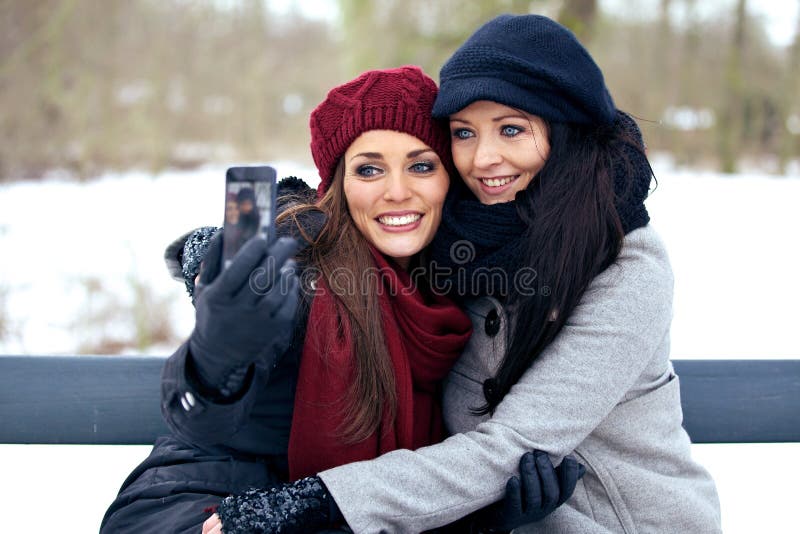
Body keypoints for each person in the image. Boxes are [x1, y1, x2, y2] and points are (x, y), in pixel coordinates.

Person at [210, 14, 722, 534]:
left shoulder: (627, 267)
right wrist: (246, 241)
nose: (483, 158)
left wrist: (316, 502)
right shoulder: (460, 236)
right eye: (463, 133)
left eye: (511, 129)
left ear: (564, 129)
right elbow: (352, 216)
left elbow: (513, 444)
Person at [101, 66, 581, 534]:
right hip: (200, 509)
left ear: (448, 181)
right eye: (369, 169)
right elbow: (203, 418)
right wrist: (217, 353)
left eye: (420, 166)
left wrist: (484, 516)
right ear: (338, 184)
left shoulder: (456, 291)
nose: (397, 192)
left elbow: (404, 487)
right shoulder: (298, 271)